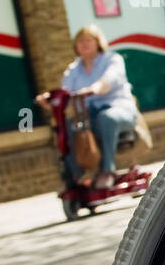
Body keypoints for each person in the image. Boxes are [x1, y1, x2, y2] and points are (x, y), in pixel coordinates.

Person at [37, 26, 138, 190]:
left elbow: (108, 80)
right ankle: (75, 174)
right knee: (68, 126)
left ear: (98, 43)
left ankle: (108, 171)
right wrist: (49, 99)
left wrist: (94, 88)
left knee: (106, 118)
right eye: (80, 41)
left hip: (119, 110)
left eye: (88, 40)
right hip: (88, 115)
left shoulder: (112, 60)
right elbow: (67, 94)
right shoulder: (73, 69)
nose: (84, 44)